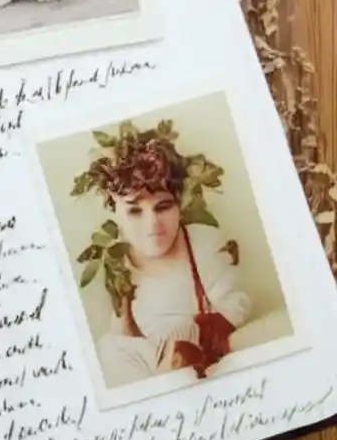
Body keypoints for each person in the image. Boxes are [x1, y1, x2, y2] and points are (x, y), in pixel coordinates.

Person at [84, 134, 251, 386]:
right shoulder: (112, 262)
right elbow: (118, 346)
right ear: (114, 211)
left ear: (180, 203)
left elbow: (239, 302)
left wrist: (212, 329)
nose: (153, 225)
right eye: (134, 211)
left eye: (163, 207)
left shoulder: (201, 245)